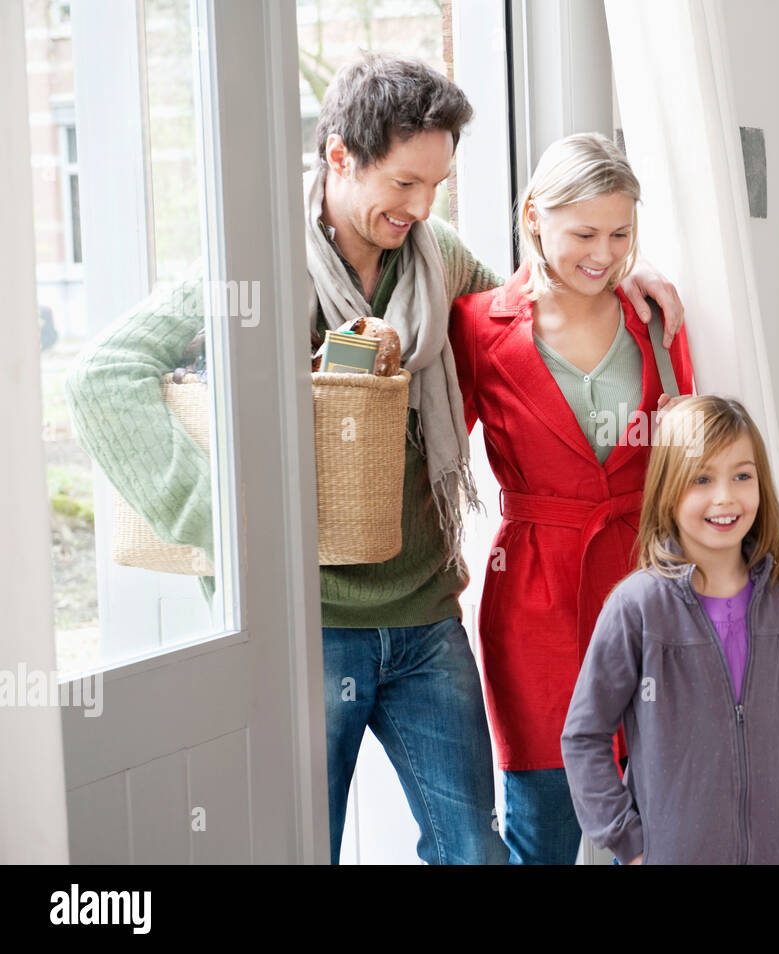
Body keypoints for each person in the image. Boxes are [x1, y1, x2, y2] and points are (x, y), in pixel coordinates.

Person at [65, 52, 684, 865]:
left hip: (427, 615)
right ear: (338, 157)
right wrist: (219, 522)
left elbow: (531, 322)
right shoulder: (256, 265)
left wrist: (629, 281)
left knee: (474, 849)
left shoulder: (440, 256)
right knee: (304, 845)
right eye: (402, 184)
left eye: (436, 185)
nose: (421, 207)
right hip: (310, 625)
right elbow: (102, 374)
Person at [449, 132, 694, 865]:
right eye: (584, 232)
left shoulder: (655, 318)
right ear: (534, 216)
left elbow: (691, 455)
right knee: (545, 819)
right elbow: (429, 454)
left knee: (663, 813)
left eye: (621, 233)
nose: (604, 252)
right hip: (533, 596)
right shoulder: (475, 327)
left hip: (650, 583)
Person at [561, 395, 779, 864]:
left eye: (742, 476)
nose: (725, 497)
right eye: (702, 478)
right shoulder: (635, 609)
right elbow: (583, 736)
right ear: (668, 489)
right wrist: (632, 844)